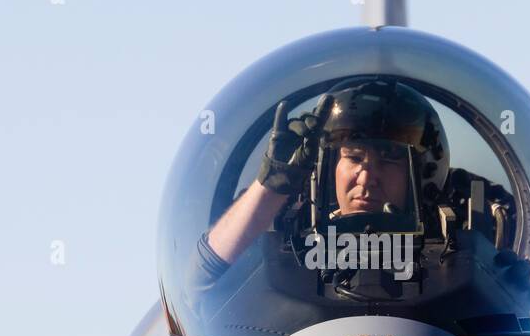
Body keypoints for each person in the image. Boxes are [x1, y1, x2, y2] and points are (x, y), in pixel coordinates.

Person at [189, 78, 449, 293]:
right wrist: (272, 187)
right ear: (328, 166)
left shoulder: (451, 244)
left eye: (389, 159)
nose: (367, 177)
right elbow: (199, 286)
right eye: (354, 157)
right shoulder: (287, 232)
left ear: (421, 173)